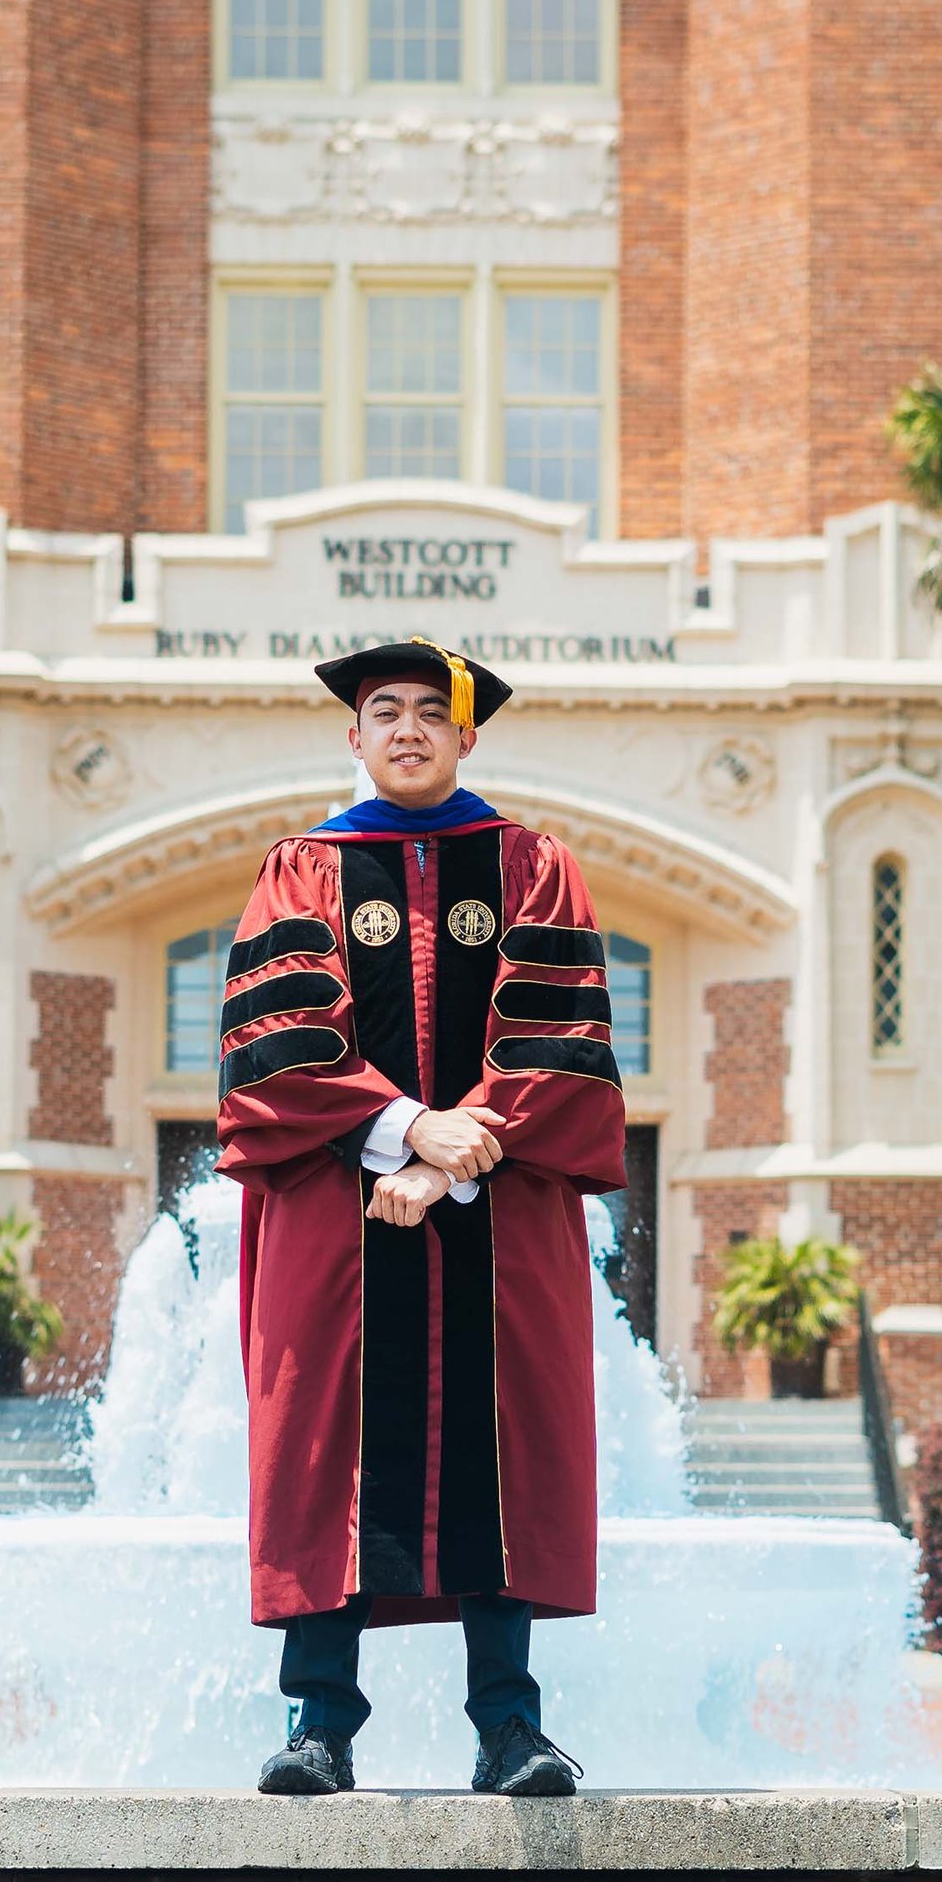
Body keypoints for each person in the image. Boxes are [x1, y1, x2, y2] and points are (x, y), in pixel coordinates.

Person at [215, 637, 627, 1796]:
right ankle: (319, 1726)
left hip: (499, 1216)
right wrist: (400, 1128)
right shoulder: (301, 870)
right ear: (353, 736)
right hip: (333, 1220)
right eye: (383, 711)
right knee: (325, 1447)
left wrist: (455, 1157)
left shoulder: (534, 867)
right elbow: (275, 1050)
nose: (406, 729)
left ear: (466, 738)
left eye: (428, 715)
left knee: (503, 1451)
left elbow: (562, 1043)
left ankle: (509, 1728)